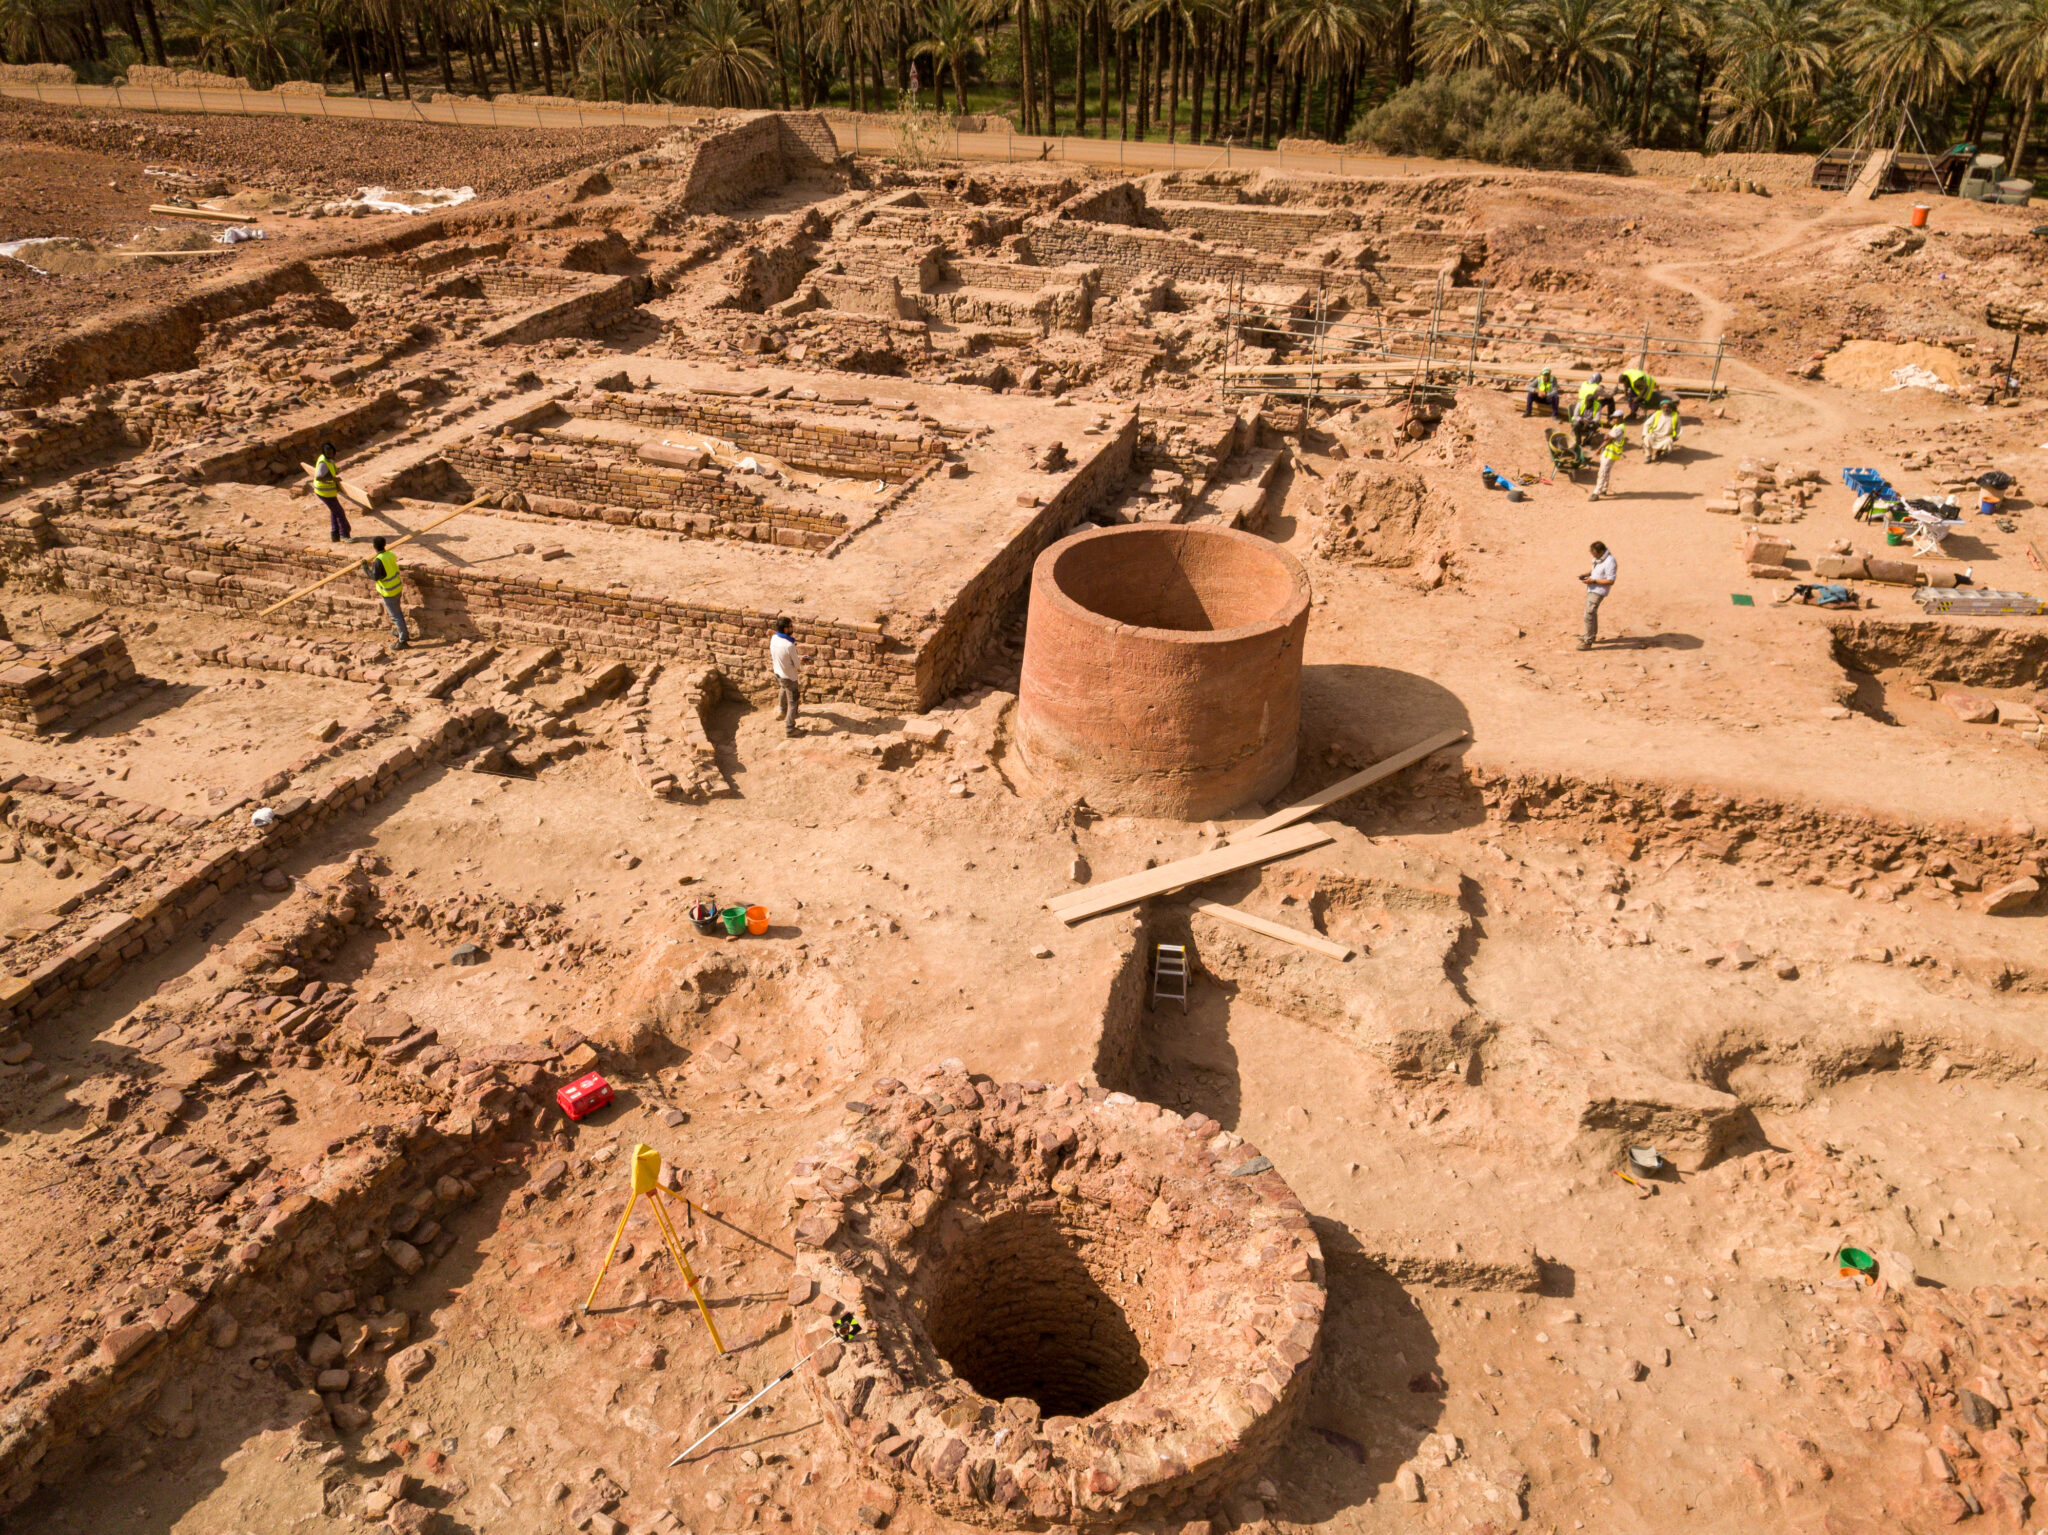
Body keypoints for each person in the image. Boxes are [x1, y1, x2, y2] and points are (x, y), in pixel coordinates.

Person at [362, 536, 409, 649]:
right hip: (397, 587)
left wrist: (365, 568)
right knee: (398, 613)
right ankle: (402, 632)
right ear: (384, 544)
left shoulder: (379, 560)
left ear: (374, 547)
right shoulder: (390, 554)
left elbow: (375, 576)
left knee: (396, 616)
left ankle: (403, 640)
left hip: (389, 592)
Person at [1579, 541, 1616, 650]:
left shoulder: (1610, 562)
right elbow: (1595, 570)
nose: (1593, 556)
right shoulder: (1599, 559)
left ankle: (1588, 642)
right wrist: (1587, 574)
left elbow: (1610, 581)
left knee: (1588, 614)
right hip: (1592, 588)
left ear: (1602, 551)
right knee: (1592, 613)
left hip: (1599, 591)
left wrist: (1594, 581)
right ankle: (1590, 635)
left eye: (1595, 554)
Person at [313, 440, 350, 543]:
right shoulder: (323, 463)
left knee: (334, 511)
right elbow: (318, 477)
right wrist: (333, 479)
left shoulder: (329, 459)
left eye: (332, 453)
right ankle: (344, 535)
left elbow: (333, 470)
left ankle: (335, 536)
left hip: (329, 492)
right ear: (324, 453)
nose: (330, 455)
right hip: (324, 492)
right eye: (328, 453)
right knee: (340, 513)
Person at [770, 617, 801, 738]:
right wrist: (801, 661)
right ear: (785, 628)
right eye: (790, 626)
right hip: (789, 676)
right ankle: (790, 728)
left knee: (783, 688)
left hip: (778, 673)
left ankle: (782, 711)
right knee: (793, 702)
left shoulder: (774, 638)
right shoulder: (789, 645)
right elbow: (797, 665)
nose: (792, 628)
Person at [1590, 423, 1626, 500]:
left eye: (1615, 418)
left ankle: (1596, 493)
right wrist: (1607, 436)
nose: (1613, 420)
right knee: (1606, 471)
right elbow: (1606, 437)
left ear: (1620, 417)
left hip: (1610, 454)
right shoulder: (1616, 426)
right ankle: (1604, 489)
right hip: (1609, 453)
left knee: (1602, 472)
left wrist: (1599, 448)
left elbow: (1608, 439)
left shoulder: (1619, 428)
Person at [1644, 396, 1680, 461]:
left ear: (1671, 408)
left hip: (1666, 436)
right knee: (1647, 438)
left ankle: (1660, 451)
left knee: (1668, 442)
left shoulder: (1675, 415)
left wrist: (1676, 436)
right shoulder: (1657, 414)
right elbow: (1647, 424)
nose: (1666, 409)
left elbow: (1678, 428)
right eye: (1664, 407)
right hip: (1655, 434)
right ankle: (1648, 456)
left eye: (1667, 407)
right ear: (1661, 408)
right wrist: (1645, 433)